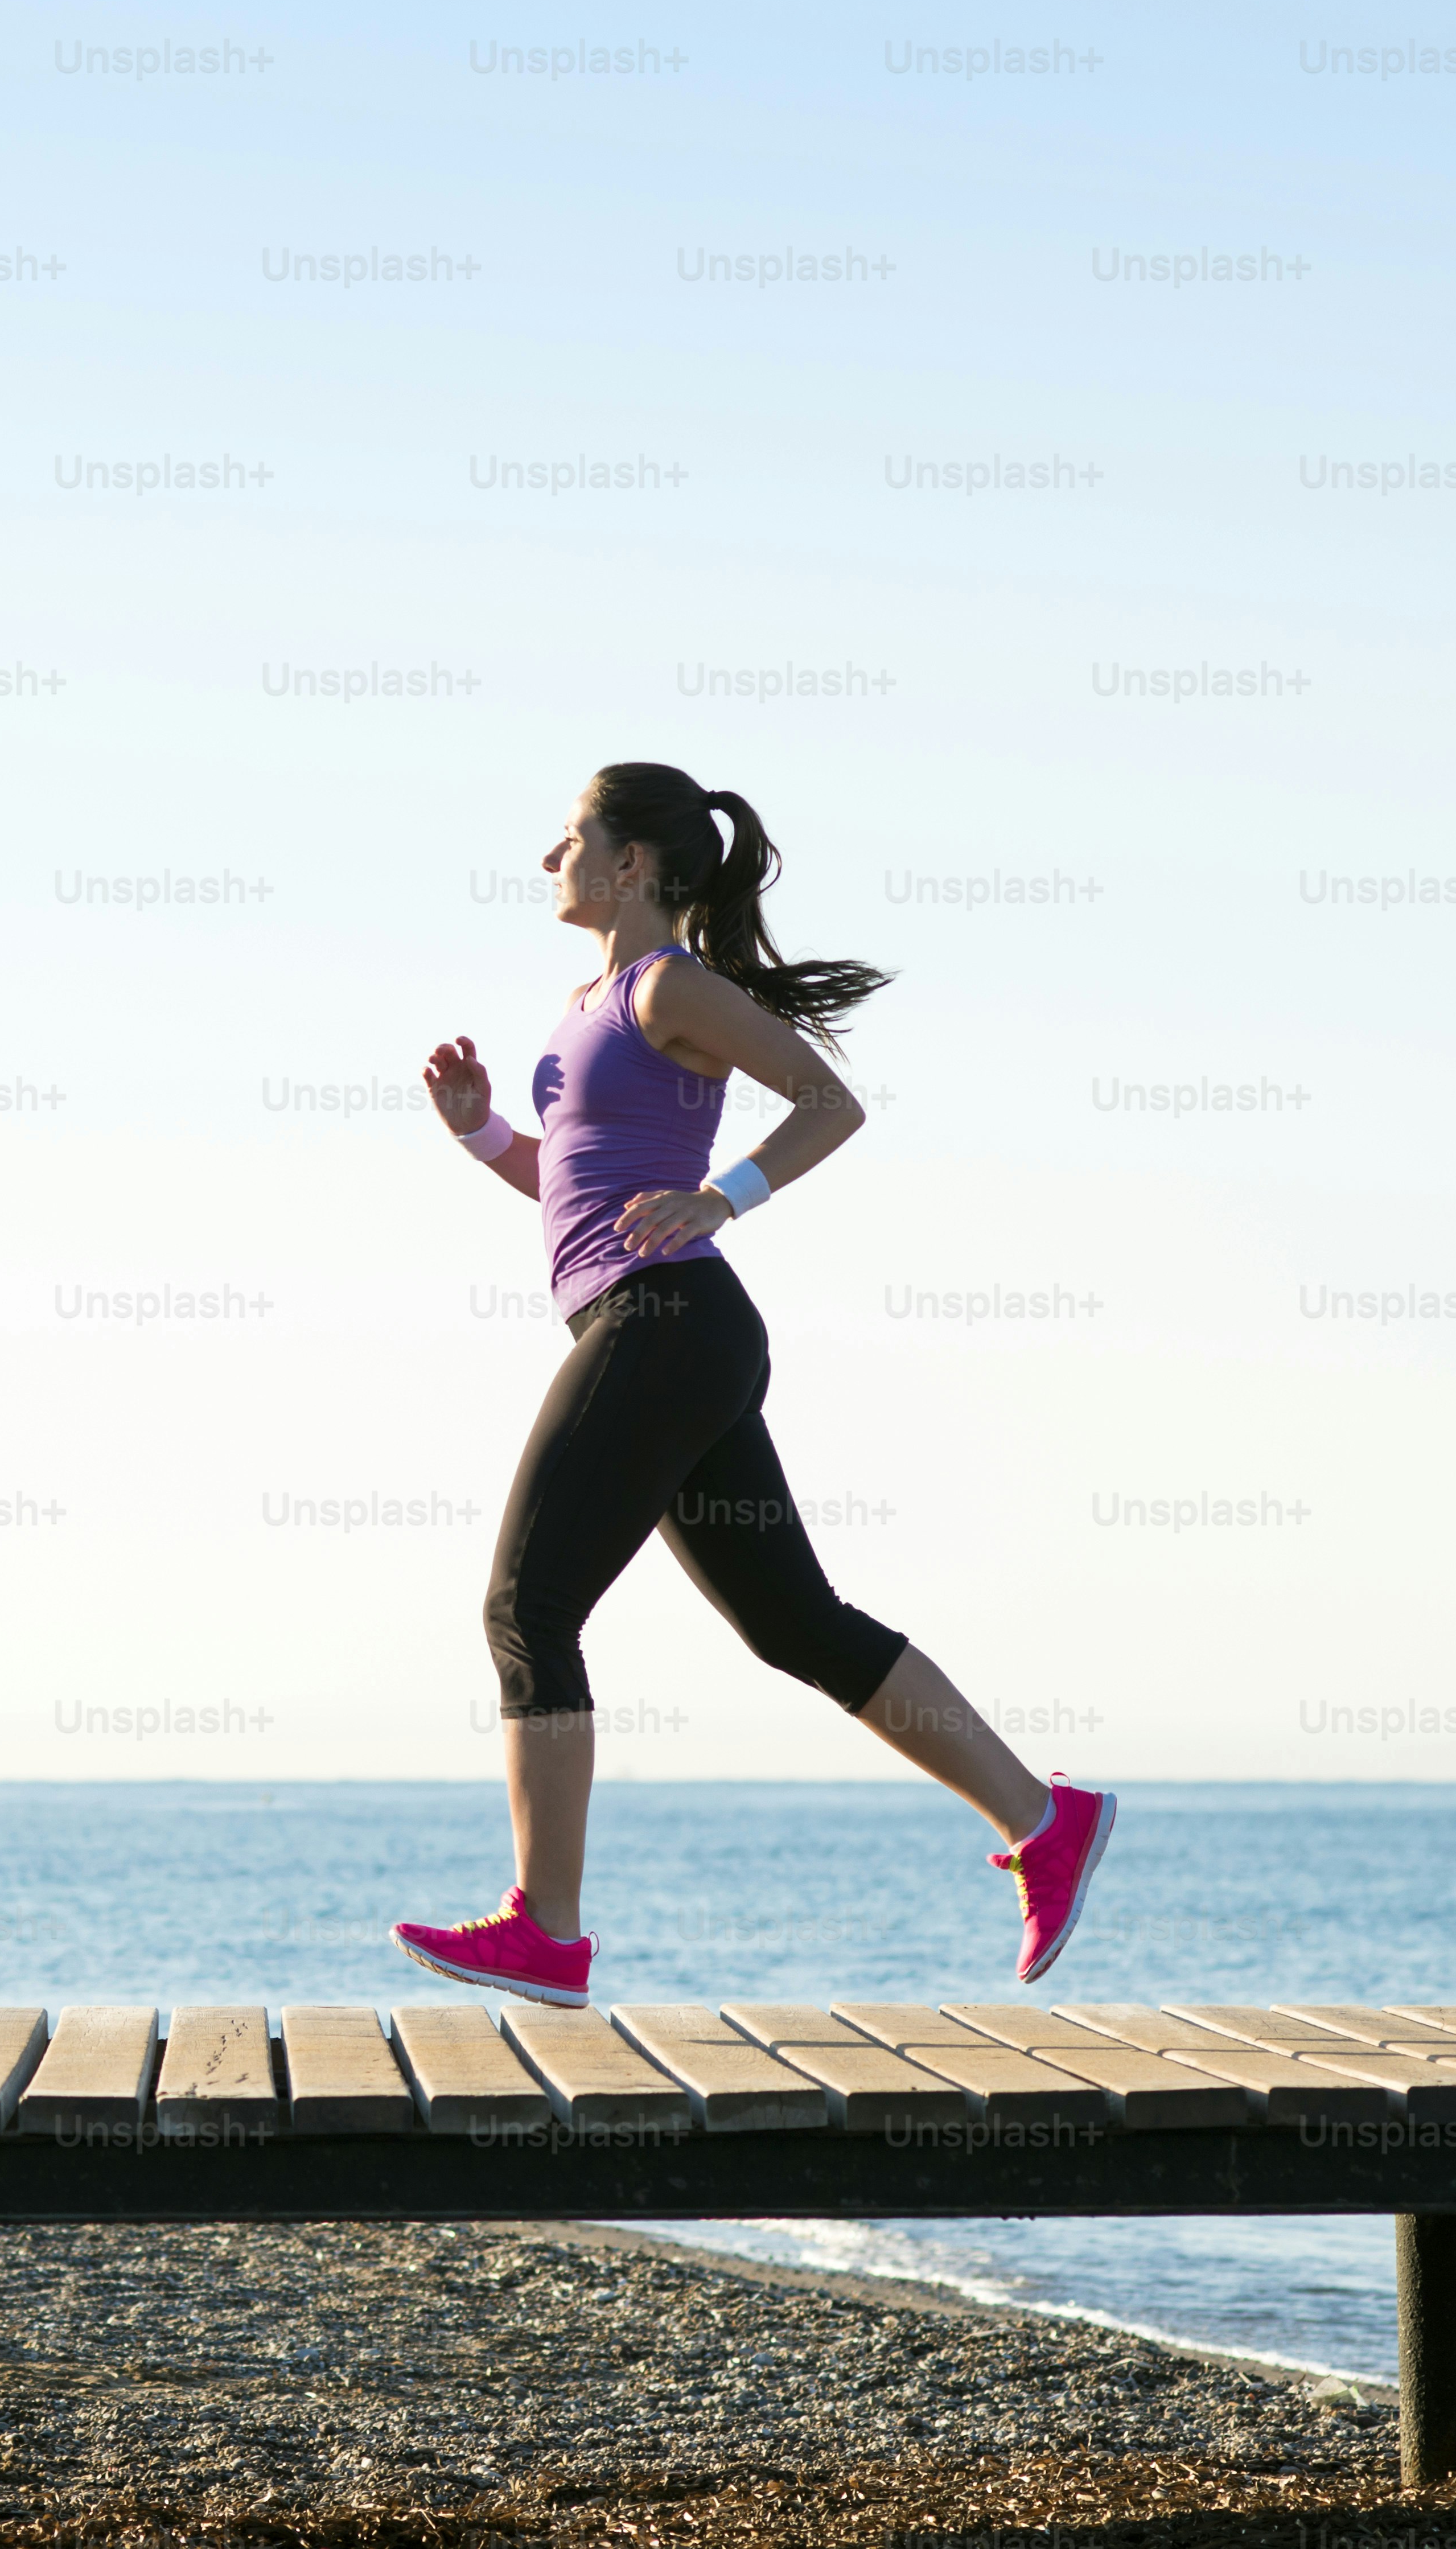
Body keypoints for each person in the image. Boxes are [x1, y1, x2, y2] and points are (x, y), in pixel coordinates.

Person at [393, 763, 1113, 2005]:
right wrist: (479, 1133)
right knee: (794, 1624)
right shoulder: (589, 1000)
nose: (547, 859)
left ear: (631, 865)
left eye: (569, 839)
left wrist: (723, 1194)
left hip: (665, 1322)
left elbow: (828, 1104)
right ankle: (1040, 1820)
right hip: (656, 1325)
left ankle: (546, 1931)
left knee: (527, 1606)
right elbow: (576, 1194)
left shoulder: (671, 985)